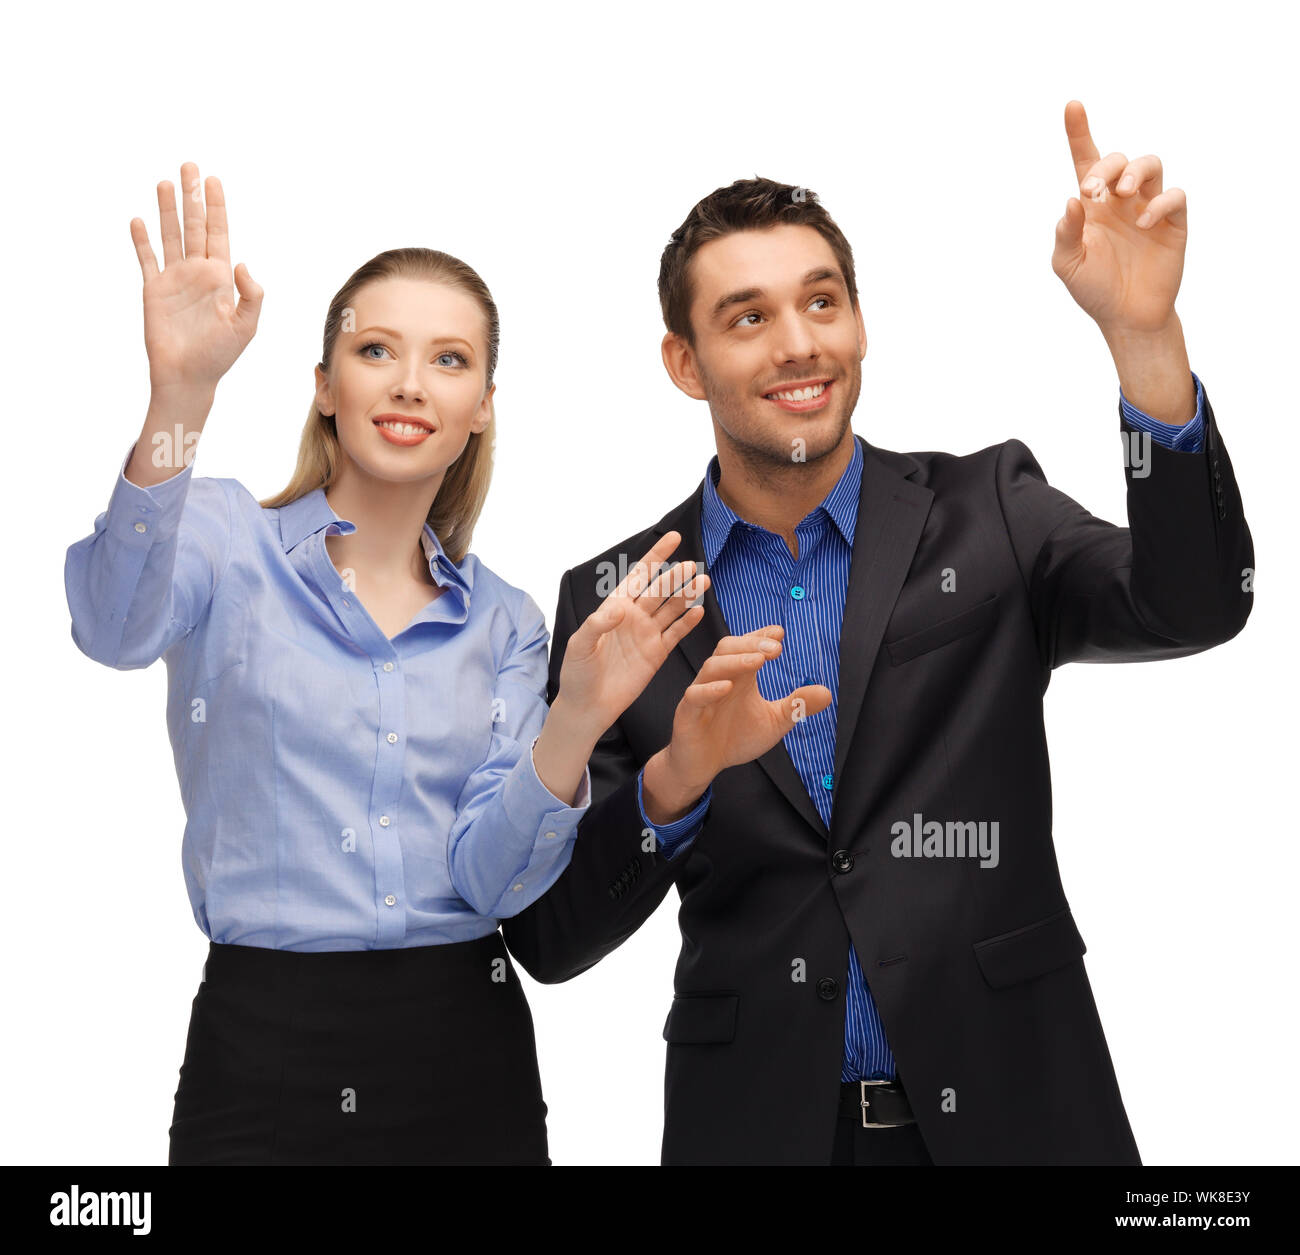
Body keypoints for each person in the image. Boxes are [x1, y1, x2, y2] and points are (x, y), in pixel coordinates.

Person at [500, 101, 1255, 1165]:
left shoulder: (987, 506)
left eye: (821, 302)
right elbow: (549, 936)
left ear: (859, 321)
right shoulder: (621, 596)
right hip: (756, 1135)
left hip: (1018, 1120)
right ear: (683, 360)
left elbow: (1197, 602)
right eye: (747, 316)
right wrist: (677, 778)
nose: (799, 343)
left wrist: (1142, 340)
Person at [63, 162, 709, 1165]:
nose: (410, 382)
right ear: (326, 387)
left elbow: (491, 882)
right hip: (263, 1037)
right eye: (376, 350)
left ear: (482, 407)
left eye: (448, 360)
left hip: (466, 1043)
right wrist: (180, 393)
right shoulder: (225, 537)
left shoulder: (504, 622)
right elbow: (111, 626)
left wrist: (575, 719)